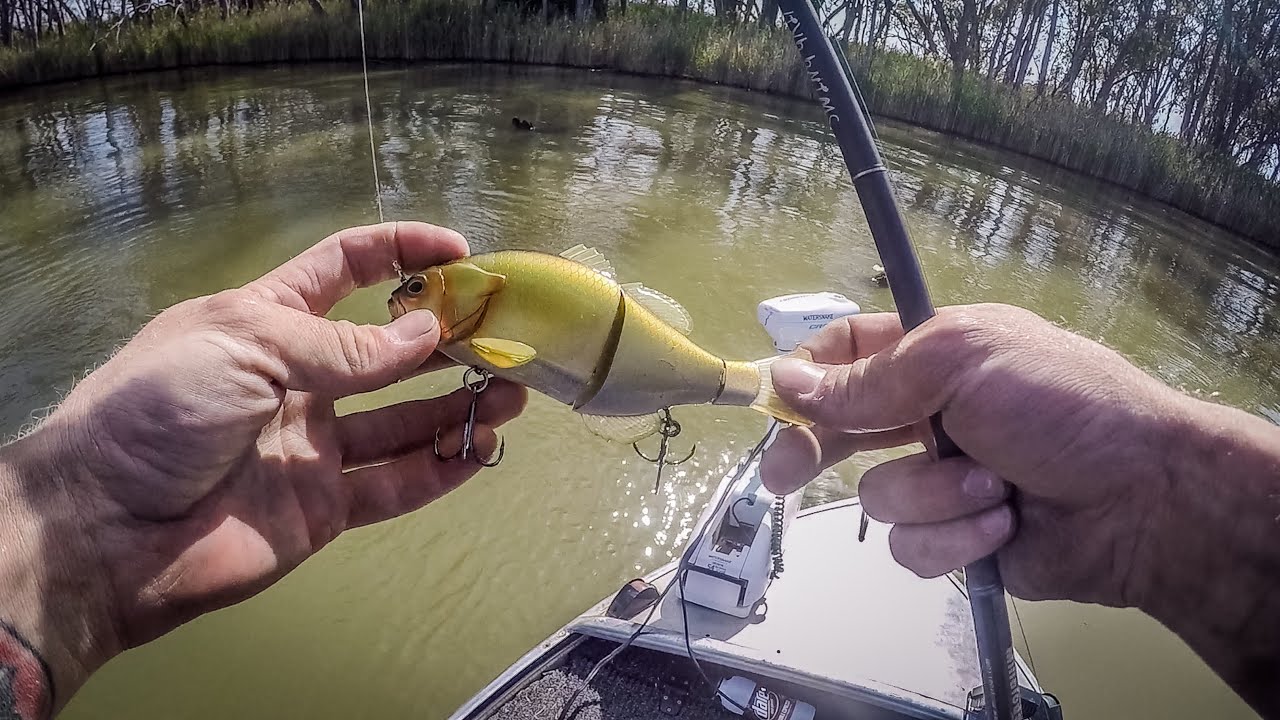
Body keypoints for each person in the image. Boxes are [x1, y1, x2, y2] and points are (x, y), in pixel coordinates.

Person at [0, 222, 1274, 719]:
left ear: (454, 295)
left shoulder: (471, 310)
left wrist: (64, 527)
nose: (409, 311)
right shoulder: (471, 318)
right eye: (409, 304)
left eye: (418, 297)